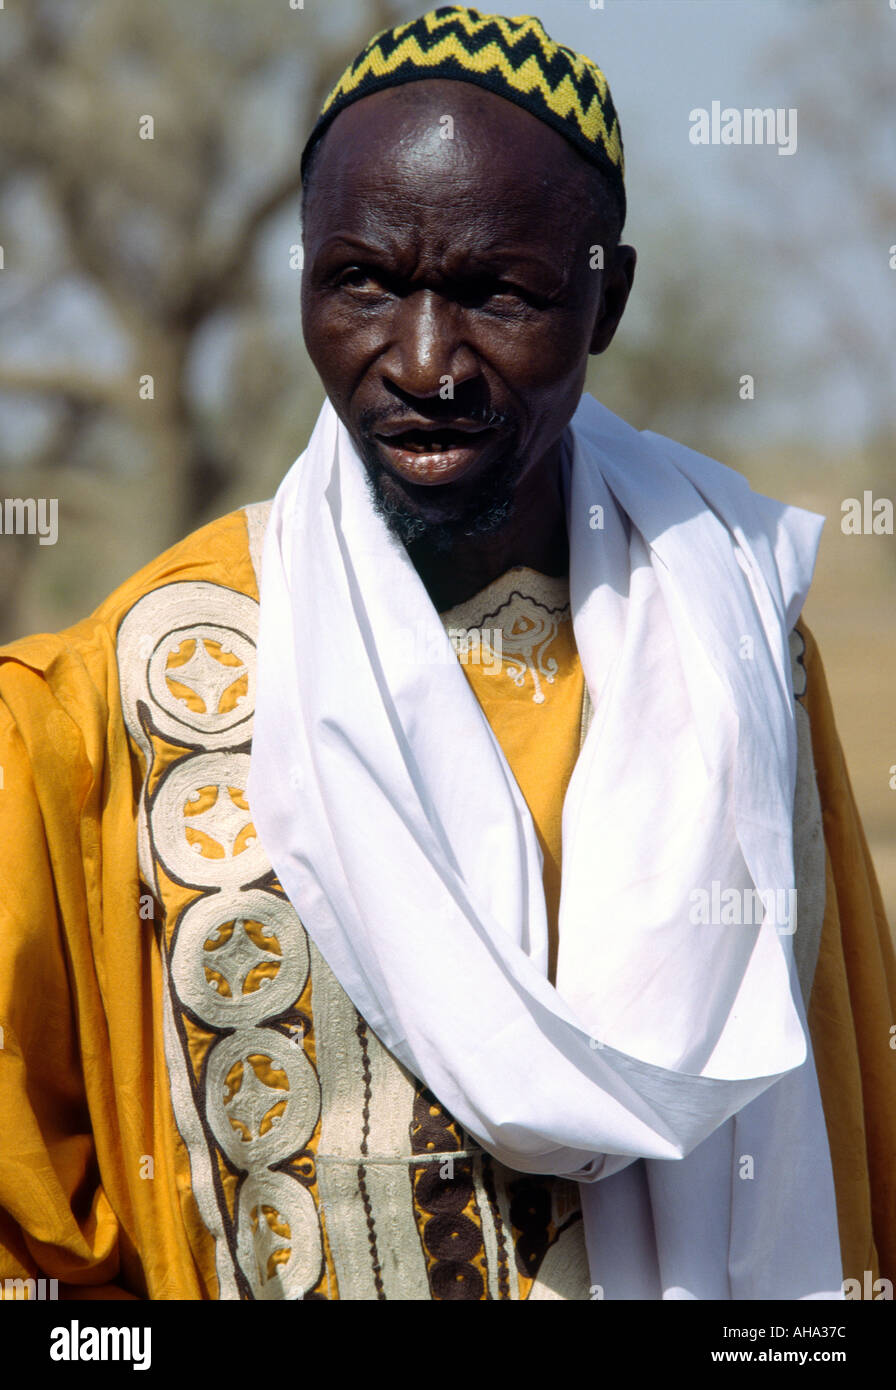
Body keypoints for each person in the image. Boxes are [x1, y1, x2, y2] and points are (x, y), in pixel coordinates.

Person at [0, 5, 893, 1302]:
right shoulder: (115, 699)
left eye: (499, 293)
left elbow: (846, 1135)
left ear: (609, 298)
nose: (424, 362)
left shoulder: (741, 650)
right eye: (362, 281)